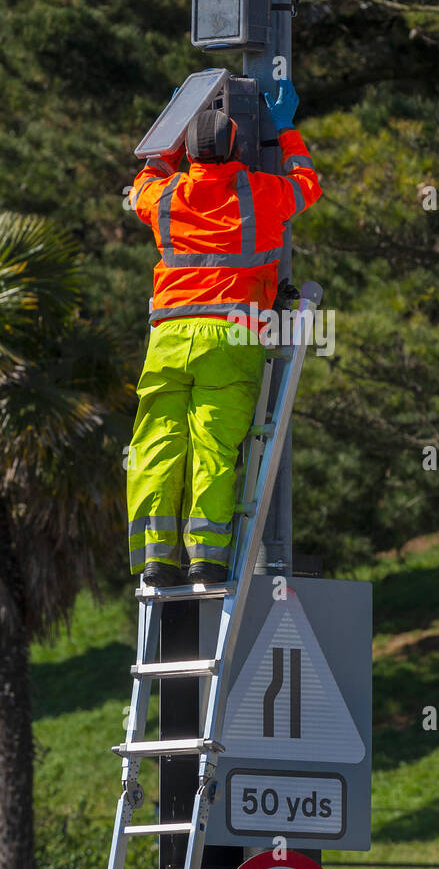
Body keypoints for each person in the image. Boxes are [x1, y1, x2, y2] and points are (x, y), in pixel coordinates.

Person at [125, 79, 321, 587]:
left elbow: (146, 175)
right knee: (214, 445)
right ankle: (206, 558)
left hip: (170, 335)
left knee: (156, 444)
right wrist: (286, 129)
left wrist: (174, 119)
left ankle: (156, 557)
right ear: (238, 145)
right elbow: (306, 183)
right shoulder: (262, 193)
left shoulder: (164, 196)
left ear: (189, 152)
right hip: (232, 335)